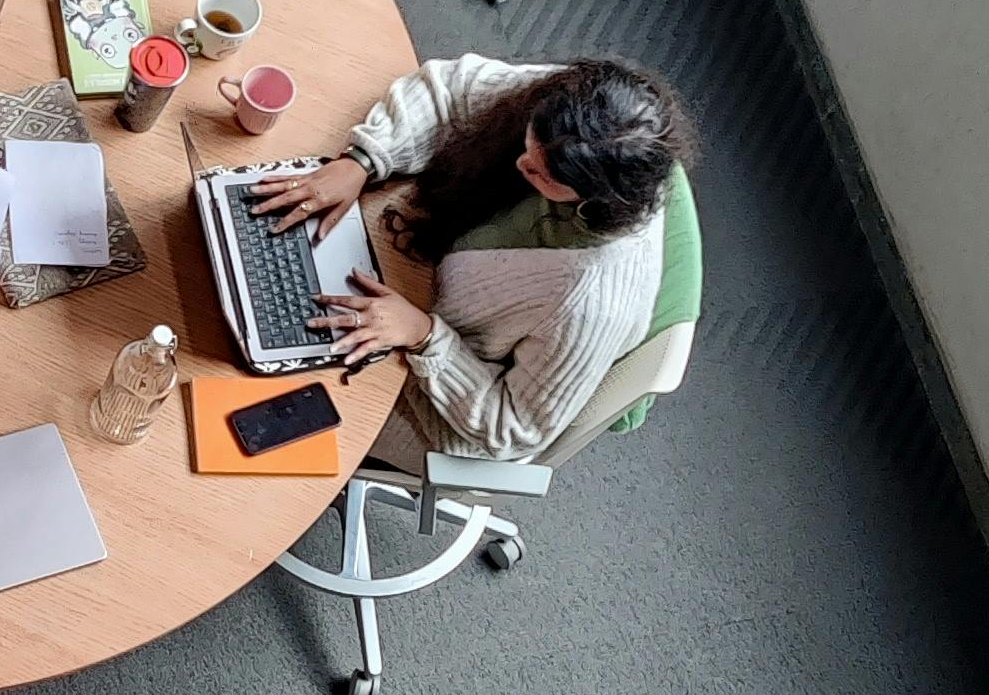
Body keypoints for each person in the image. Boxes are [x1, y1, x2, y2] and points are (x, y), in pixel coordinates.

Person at [253, 52, 688, 462]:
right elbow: (447, 90)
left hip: (443, 400)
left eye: (542, 173)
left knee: (263, 390)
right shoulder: (573, 116)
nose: (521, 162)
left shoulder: (592, 301)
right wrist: (362, 161)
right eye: (528, 142)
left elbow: (513, 428)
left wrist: (424, 336)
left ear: (594, 197)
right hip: (417, 269)